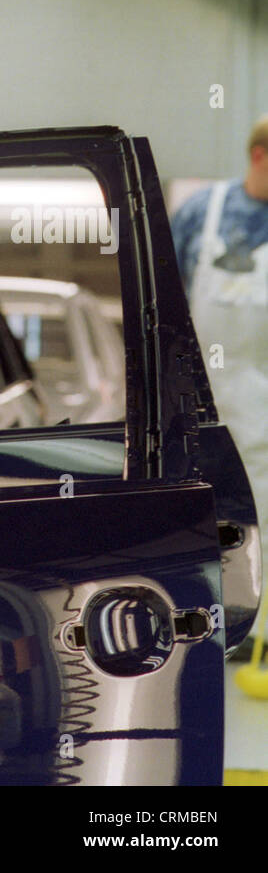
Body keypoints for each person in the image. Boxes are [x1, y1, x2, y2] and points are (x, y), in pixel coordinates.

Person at [169, 118, 268, 632]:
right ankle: (200, 632)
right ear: (258, 157)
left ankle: (262, 637)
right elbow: (162, 307)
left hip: (263, 411)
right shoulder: (201, 215)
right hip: (199, 403)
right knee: (199, 521)